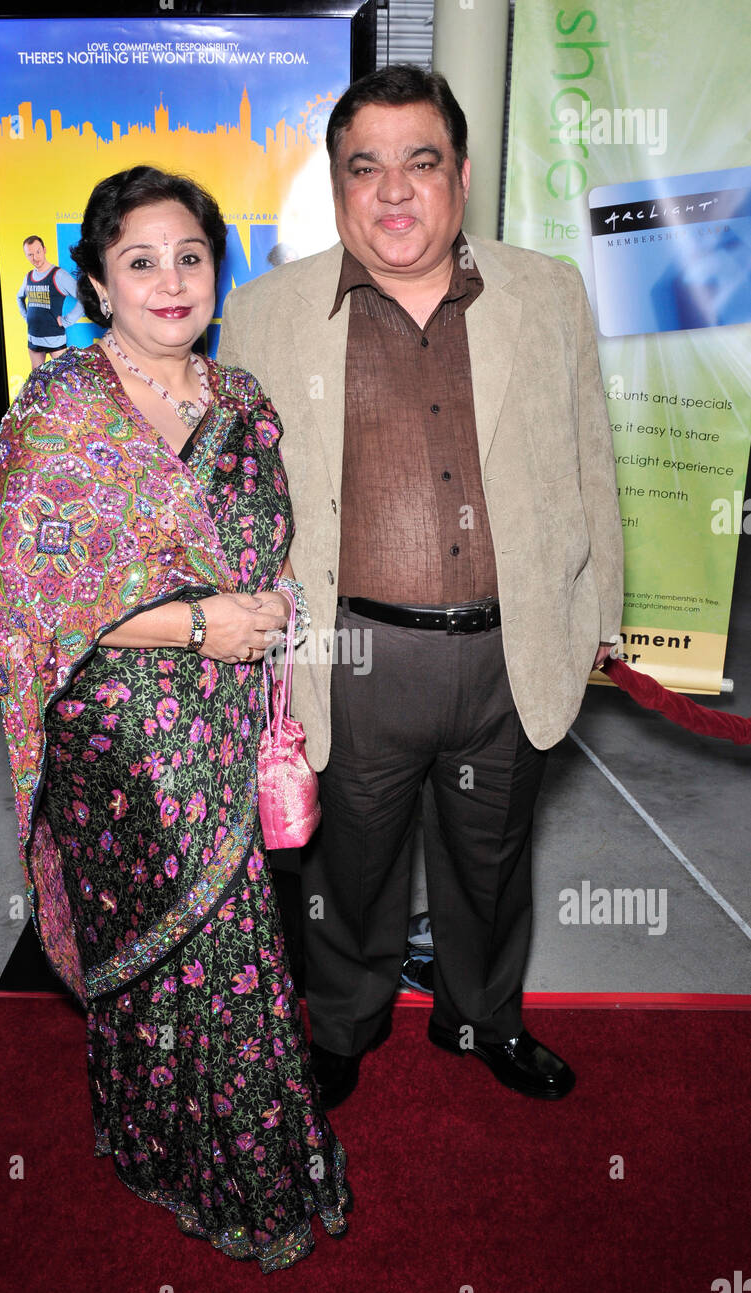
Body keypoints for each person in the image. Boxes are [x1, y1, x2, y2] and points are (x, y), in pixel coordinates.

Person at [218, 65, 624, 1108]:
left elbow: (591, 462)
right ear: (337, 183)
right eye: (365, 166)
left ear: (462, 174)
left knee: (490, 864)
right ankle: (344, 1027)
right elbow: (231, 494)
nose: (393, 191)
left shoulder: (546, 292)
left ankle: (480, 1017)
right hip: (353, 657)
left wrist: (598, 620)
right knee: (347, 871)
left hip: (508, 649)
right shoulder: (262, 315)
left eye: (419, 161)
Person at [0, 166, 350, 1272]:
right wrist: (199, 626)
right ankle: (159, 1143)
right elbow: (33, 598)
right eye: (139, 259)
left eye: (189, 253)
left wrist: (271, 606)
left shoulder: (242, 404)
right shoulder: (56, 414)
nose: (170, 278)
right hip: (119, 743)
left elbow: (272, 541)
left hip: (228, 727)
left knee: (239, 951)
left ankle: (246, 1164)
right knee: (155, 955)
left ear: (215, 270)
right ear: (96, 282)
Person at [17, 235, 83, 368]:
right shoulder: (28, 276)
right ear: (26, 256)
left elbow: (83, 297)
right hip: (34, 337)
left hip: (54, 338)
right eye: (30, 254)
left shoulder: (59, 275)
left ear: (44, 250)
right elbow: (19, 297)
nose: (35, 257)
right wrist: (26, 316)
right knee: (36, 381)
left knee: (62, 379)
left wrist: (67, 320)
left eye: (38, 252)